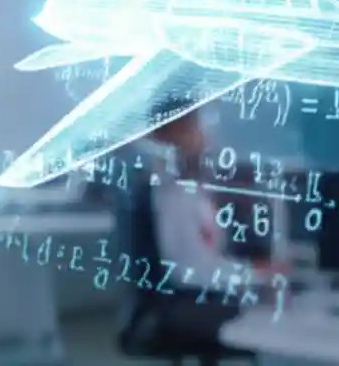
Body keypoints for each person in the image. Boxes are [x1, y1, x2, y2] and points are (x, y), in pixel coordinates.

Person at [115, 97, 284, 360]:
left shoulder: (189, 188)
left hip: (190, 296)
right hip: (180, 303)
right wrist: (256, 274)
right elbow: (191, 270)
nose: (205, 136)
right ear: (166, 135)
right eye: (195, 127)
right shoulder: (172, 195)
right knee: (273, 316)